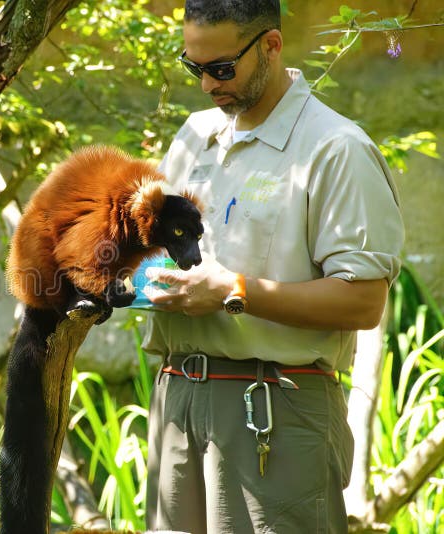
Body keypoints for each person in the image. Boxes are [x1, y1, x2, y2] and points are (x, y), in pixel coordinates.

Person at [140, 1, 404, 532]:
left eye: (221, 69)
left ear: (271, 46)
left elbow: (363, 301)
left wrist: (236, 290)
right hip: (176, 403)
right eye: (195, 68)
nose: (208, 85)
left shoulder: (335, 148)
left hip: (273, 409)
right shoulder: (194, 134)